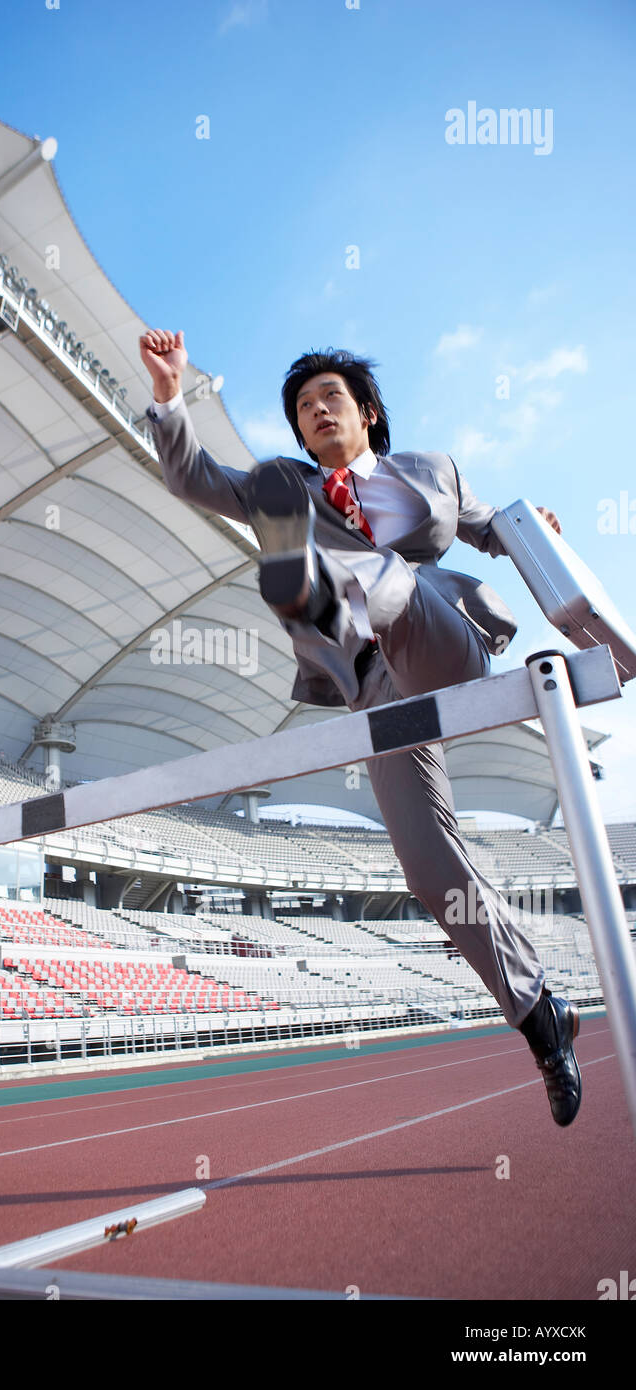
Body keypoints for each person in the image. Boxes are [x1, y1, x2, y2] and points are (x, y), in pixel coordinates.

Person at [139, 327, 582, 1127]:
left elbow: (501, 530)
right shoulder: (290, 488)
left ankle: (313, 591)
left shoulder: (432, 473)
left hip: (444, 635)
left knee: (389, 580)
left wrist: (543, 537)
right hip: (376, 689)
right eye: (302, 407)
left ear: (370, 413)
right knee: (429, 870)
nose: (315, 412)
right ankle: (542, 1015)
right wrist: (172, 396)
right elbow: (194, 476)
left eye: (329, 398)